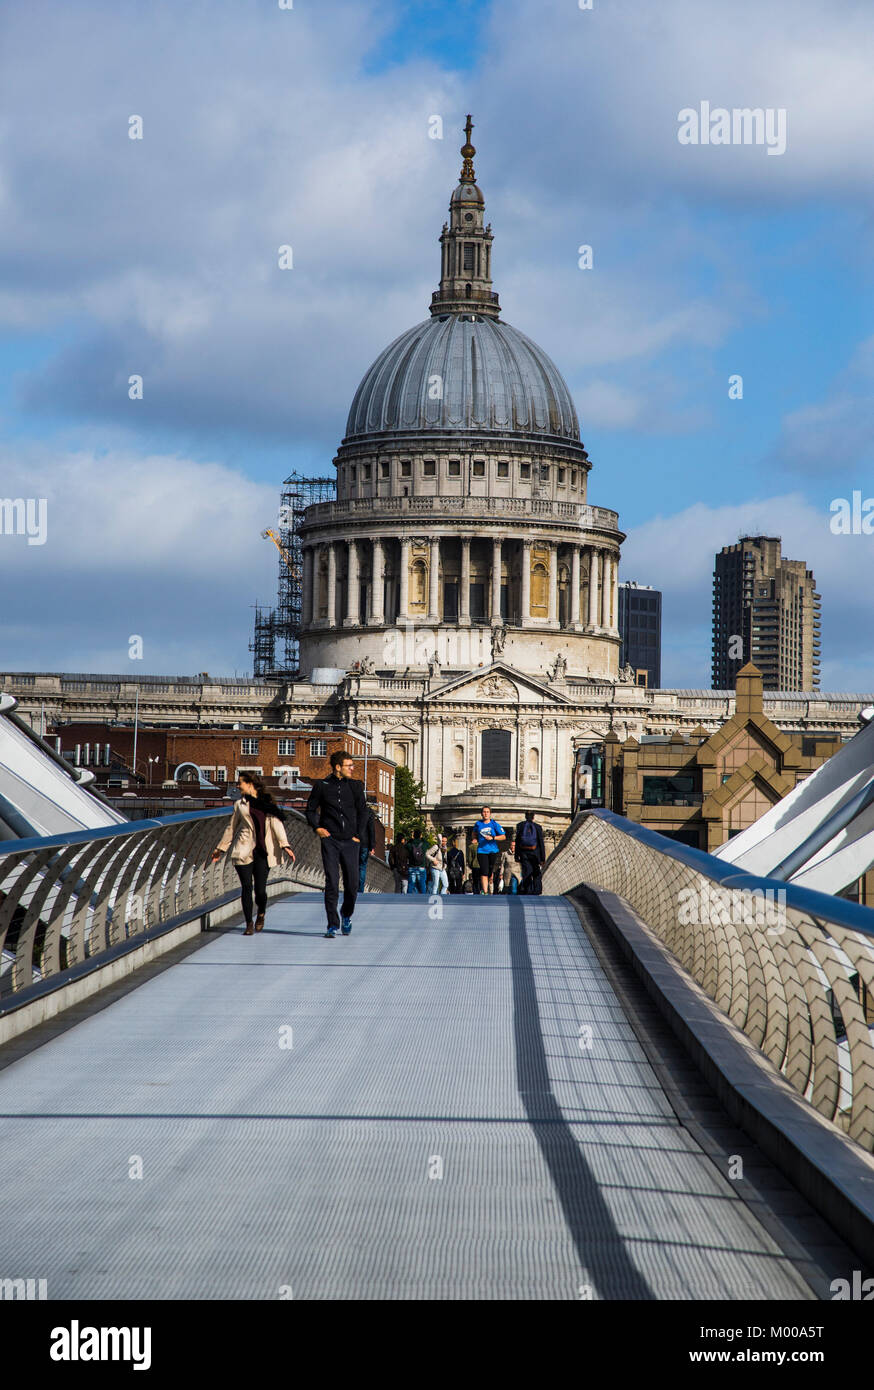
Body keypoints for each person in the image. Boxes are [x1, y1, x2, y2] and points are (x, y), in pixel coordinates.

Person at [211, 773, 296, 935]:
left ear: (250, 784)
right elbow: (231, 827)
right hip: (244, 849)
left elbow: (277, 825)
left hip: (264, 852)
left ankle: (261, 913)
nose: (237, 786)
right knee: (246, 887)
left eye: (240, 783)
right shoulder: (239, 805)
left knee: (261, 891)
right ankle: (249, 923)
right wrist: (220, 849)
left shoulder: (267, 804)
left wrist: (285, 846)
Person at [306, 751, 368, 938]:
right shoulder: (322, 786)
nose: (352, 768)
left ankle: (346, 914)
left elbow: (364, 813)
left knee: (352, 884)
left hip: (351, 842)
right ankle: (332, 924)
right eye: (349, 765)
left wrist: (358, 835)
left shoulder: (356, 787)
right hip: (330, 841)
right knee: (332, 882)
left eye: (352, 765)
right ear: (338, 767)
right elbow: (310, 810)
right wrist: (317, 828)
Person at [472, 805, 505, 895]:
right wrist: (475, 839)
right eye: (484, 812)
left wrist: (493, 838)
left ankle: (490, 876)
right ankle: (485, 891)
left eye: (487, 812)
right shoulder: (478, 824)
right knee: (484, 871)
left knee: (490, 870)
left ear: (490, 814)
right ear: (481, 814)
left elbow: (503, 836)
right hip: (482, 850)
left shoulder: (494, 824)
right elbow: (474, 833)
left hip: (493, 850)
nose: (485, 813)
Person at [515, 810, 546, 895]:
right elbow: (541, 843)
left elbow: (517, 842)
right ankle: (537, 890)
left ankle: (527, 890)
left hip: (524, 853)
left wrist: (516, 856)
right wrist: (543, 858)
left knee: (527, 871)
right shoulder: (537, 827)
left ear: (525, 816)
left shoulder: (520, 826)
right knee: (536, 872)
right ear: (533, 817)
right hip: (535, 854)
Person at [358, 802, 377, 894]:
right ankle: (360, 890)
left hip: (352, 842)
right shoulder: (368, 812)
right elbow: (371, 829)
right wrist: (372, 846)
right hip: (364, 844)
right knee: (362, 867)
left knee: (351, 866)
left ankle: (351, 887)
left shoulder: (350, 808)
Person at [405, 826, 429, 894]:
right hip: (421, 866)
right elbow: (428, 844)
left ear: (413, 835)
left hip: (412, 867)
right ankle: (423, 899)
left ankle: (408, 900)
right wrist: (422, 838)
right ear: (420, 835)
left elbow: (406, 846)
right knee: (422, 884)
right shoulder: (424, 844)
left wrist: (411, 839)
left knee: (411, 885)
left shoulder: (410, 844)